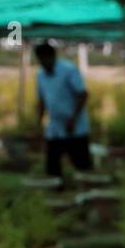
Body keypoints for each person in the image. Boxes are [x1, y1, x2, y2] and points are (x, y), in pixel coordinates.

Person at [35, 42, 93, 176]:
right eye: (40, 59)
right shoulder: (40, 75)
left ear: (52, 56)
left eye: (45, 58)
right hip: (55, 126)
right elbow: (41, 100)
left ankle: (85, 187)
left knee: (81, 163)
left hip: (74, 126)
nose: (42, 62)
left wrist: (73, 119)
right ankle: (56, 189)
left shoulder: (68, 70)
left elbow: (82, 94)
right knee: (52, 164)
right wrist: (38, 122)